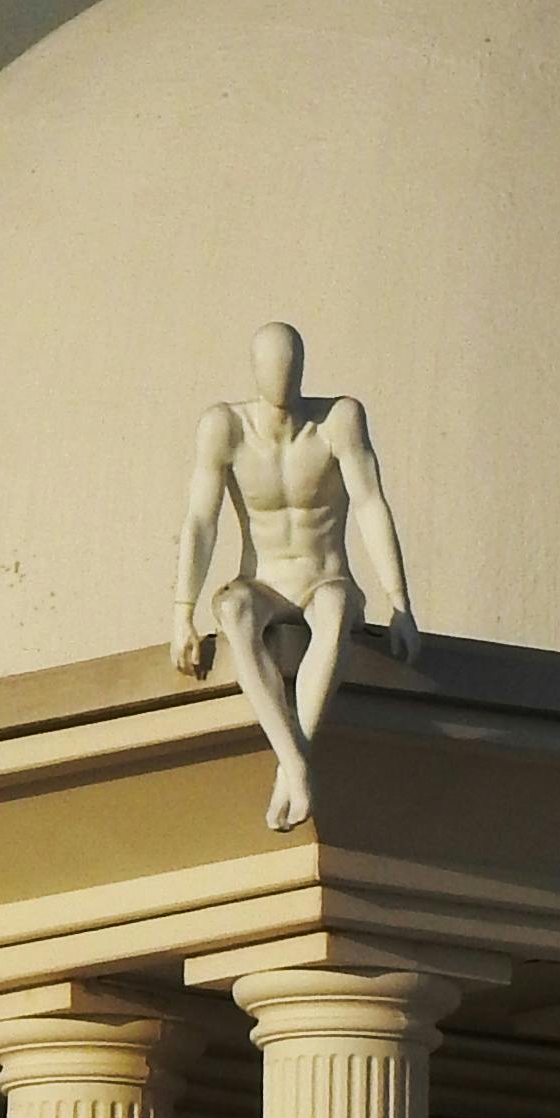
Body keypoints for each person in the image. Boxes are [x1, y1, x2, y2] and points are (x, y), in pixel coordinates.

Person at [170, 323, 420, 831]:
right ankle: (297, 764)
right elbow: (200, 518)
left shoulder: (338, 421)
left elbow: (371, 502)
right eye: (271, 370)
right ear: (254, 371)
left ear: (303, 369)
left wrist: (400, 602)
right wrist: (183, 613)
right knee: (235, 610)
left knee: (333, 610)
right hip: (261, 580)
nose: (281, 381)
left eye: (290, 370)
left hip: (323, 577)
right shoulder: (226, 428)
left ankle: (291, 771)